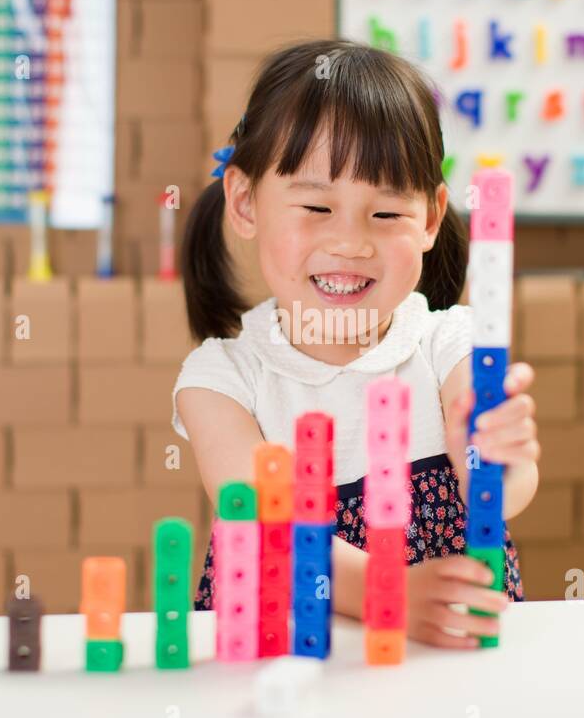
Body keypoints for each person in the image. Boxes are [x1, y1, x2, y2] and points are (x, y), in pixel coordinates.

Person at [172, 39, 541, 648]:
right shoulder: (220, 379)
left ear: (428, 219)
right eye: (317, 205)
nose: (350, 242)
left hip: (438, 657)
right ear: (245, 203)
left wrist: (497, 456)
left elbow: (503, 491)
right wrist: (384, 592)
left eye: (386, 214)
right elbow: (263, 523)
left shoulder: (450, 343)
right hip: (278, 658)